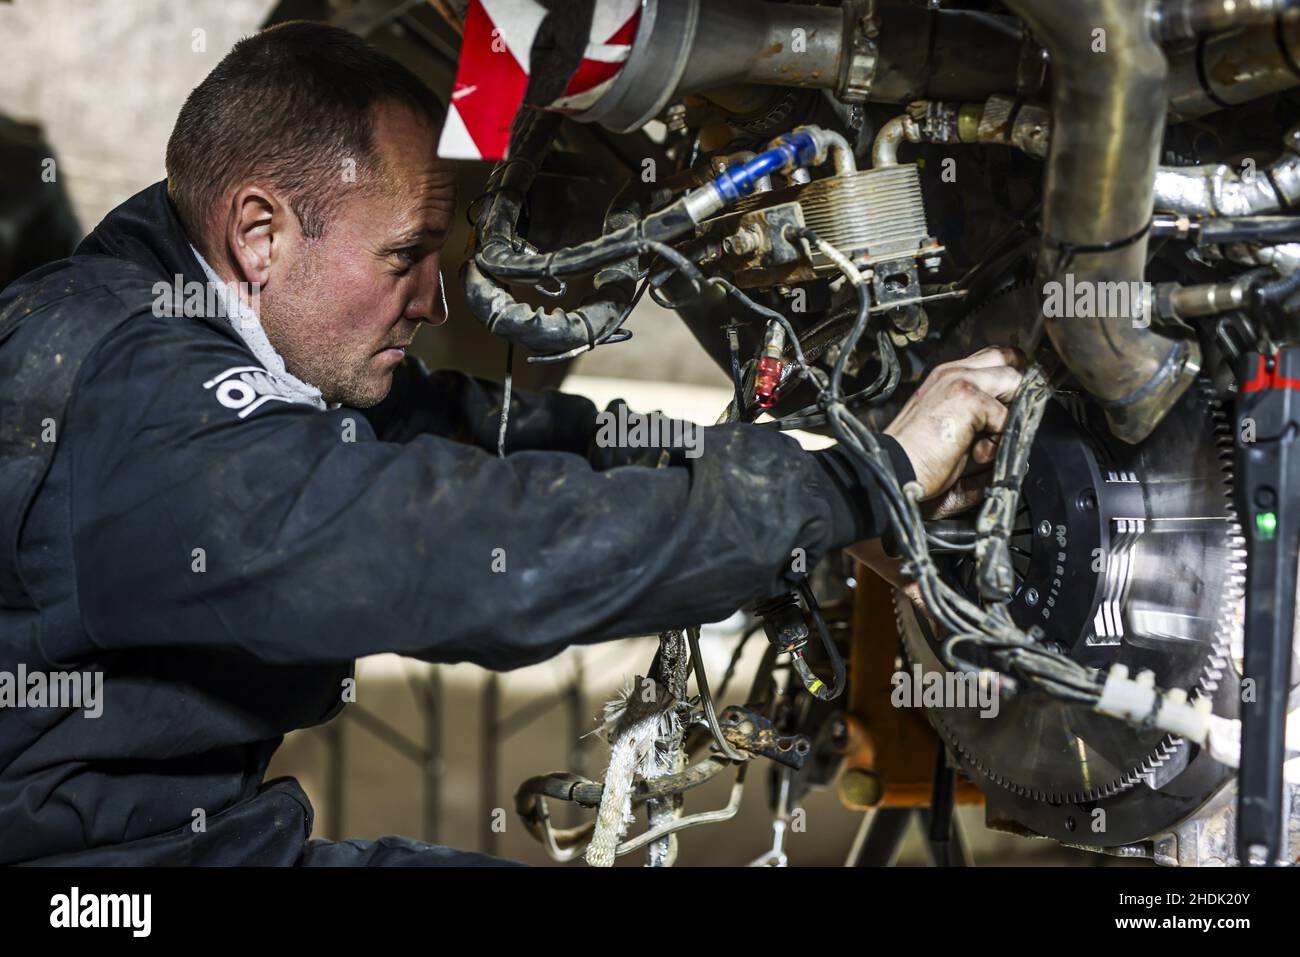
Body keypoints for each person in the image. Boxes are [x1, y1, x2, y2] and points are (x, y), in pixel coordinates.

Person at [0, 21, 1024, 866]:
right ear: (260, 234)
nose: (433, 297)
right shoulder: (131, 393)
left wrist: (807, 466)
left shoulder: (200, 334)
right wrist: (862, 484)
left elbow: (485, 443)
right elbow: (456, 544)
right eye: (405, 254)